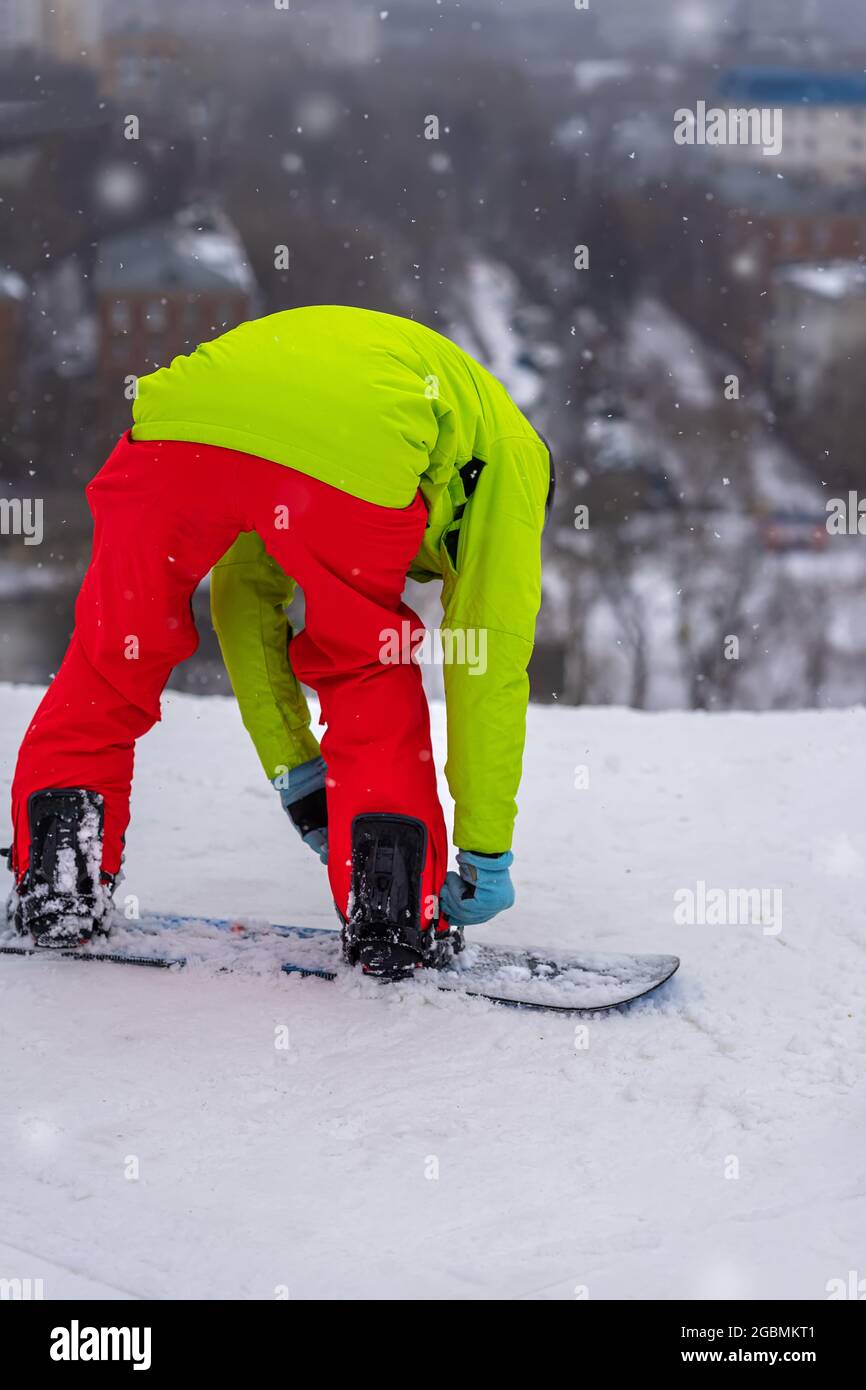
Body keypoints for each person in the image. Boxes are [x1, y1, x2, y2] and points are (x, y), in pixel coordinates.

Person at [5, 306, 553, 976]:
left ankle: (61, 883)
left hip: (178, 423)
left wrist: (298, 773)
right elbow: (488, 662)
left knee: (112, 650)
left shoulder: (361, 377)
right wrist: (486, 850)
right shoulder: (515, 462)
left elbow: (244, 596)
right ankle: (390, 919)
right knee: (365, 668)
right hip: (355, 430)